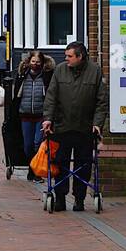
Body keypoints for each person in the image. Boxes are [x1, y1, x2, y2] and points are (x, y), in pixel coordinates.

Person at [42, 41, 108, 212]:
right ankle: (60, 198)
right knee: (60, 163)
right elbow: (51, 96)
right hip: (62, 126)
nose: (66, 59)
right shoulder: (60, 70)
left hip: (85, 128)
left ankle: (79, 198)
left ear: (80, 57)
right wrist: (48, 118)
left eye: (69, 56)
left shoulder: (95, 71)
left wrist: (97, 124)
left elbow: (102, 102)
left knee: (83, 164)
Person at [16, 51, 53, 181]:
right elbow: (16, 94)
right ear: (29, 61)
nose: (35, 64)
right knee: (27, 145)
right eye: (33, 61)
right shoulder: (22, 75)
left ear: (42, 63)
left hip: (41, 115)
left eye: (38, 62)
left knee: (38, 143)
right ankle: (31, 167)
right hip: (25, 114)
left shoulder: (46, 77)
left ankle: (35, 172)